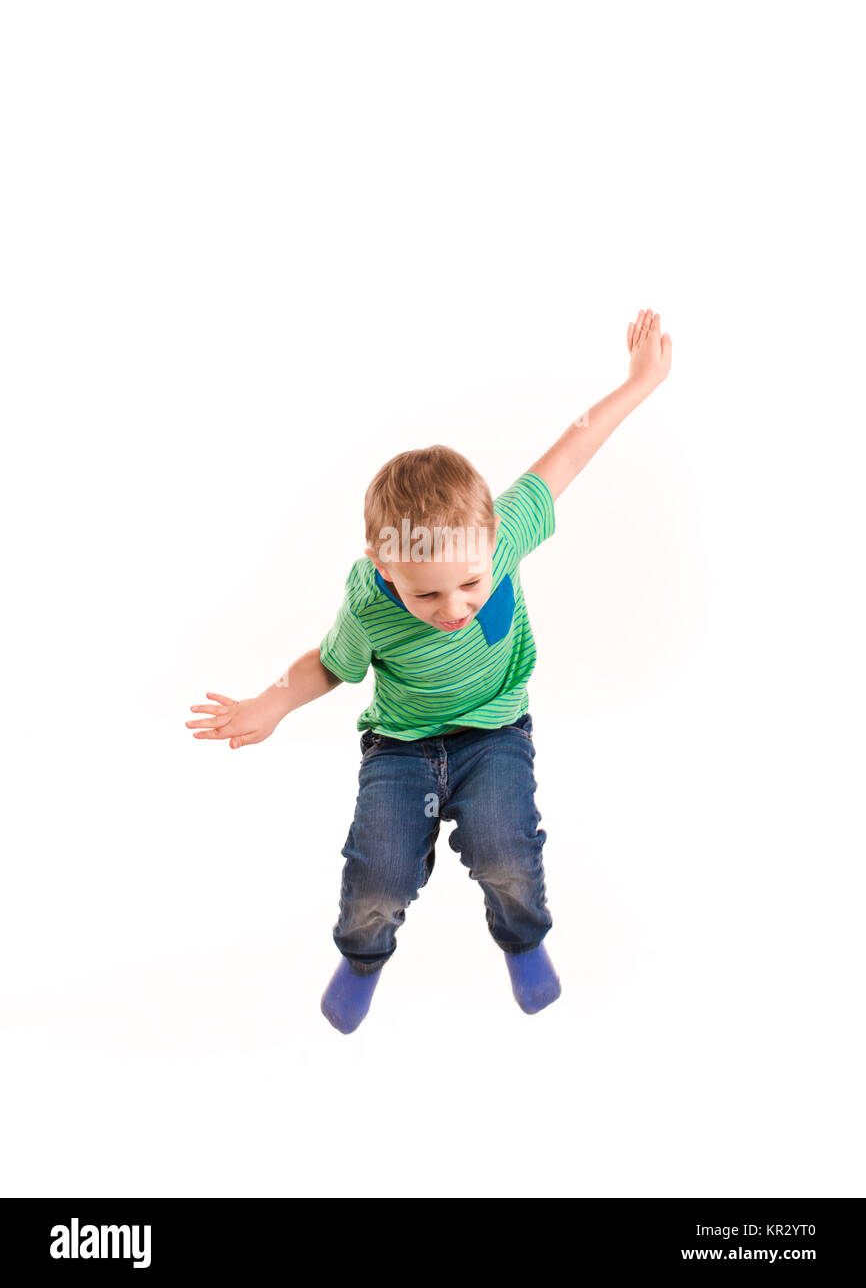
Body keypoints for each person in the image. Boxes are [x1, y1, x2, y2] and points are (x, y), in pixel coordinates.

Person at [185, 309, 672, 1033]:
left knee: (505, 852)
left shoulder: (501, 531)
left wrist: (638, 381)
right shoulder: (371, 605)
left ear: (491, 539)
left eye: (472, 583)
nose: (455, 607)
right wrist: (272, 701)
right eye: (427, 593)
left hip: (495, 734)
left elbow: (571, 450)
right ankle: (362, 959)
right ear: (385, 568)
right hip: (403, 749)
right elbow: (327, 664)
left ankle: (524, 940)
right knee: (380, 874)